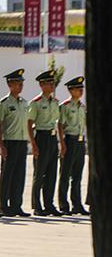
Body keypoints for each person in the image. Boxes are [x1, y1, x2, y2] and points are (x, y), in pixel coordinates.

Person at [0, 69, 30, 217]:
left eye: (21, 83)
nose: (20, 86)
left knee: (19, 175)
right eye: (17, 83)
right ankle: (4, 206)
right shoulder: (3, 103)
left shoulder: (24, 103)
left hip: (22, 142)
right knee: (7, 175)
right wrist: (1, 145)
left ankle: (16, 205)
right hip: (9, 142)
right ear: (10, 85)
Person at [27, 70, 61, 216]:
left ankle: (49, 204)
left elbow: (57, 122)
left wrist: (60, 142)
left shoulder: (55, 102)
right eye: (49, 83)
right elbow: (29, 124)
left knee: (52, 173)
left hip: (53, 139)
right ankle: (37, 205)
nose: (52, 86)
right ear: (41, 85)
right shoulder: (36, 103)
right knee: (39, 173)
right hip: (41, 137)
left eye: (53, 83)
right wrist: (33, 144)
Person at [57, 76, 88, 215]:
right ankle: (64, 205)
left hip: (81, 141)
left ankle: (77, 204)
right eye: (78, 89)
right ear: (71, 90)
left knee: (77, 175)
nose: (81, 91)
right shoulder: (65, 106)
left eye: (82, 89)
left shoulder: (82, 106)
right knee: (65, 174)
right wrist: (62, 144)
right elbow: (60, 125)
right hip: (69, 140)